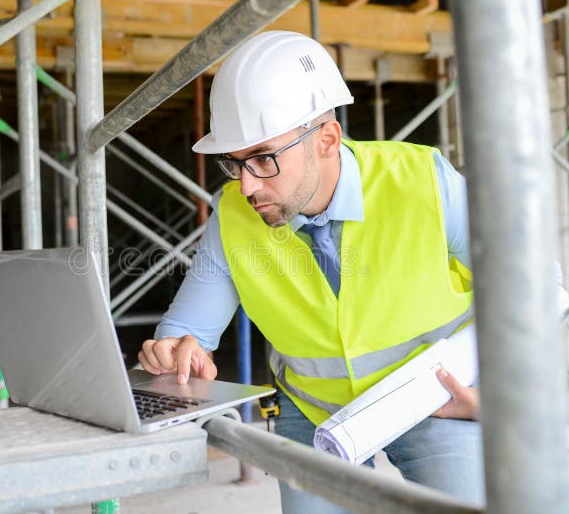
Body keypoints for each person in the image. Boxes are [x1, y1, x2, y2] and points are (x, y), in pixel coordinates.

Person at [138, 30, 485, 513]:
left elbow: (534, 291)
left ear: (326, 139)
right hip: (313, 410)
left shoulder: (423, 180)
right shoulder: (233, 214)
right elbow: (188, 329)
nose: (246, 186)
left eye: (263, 158)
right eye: (234, 163)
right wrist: (175, 350)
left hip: (435, 398)